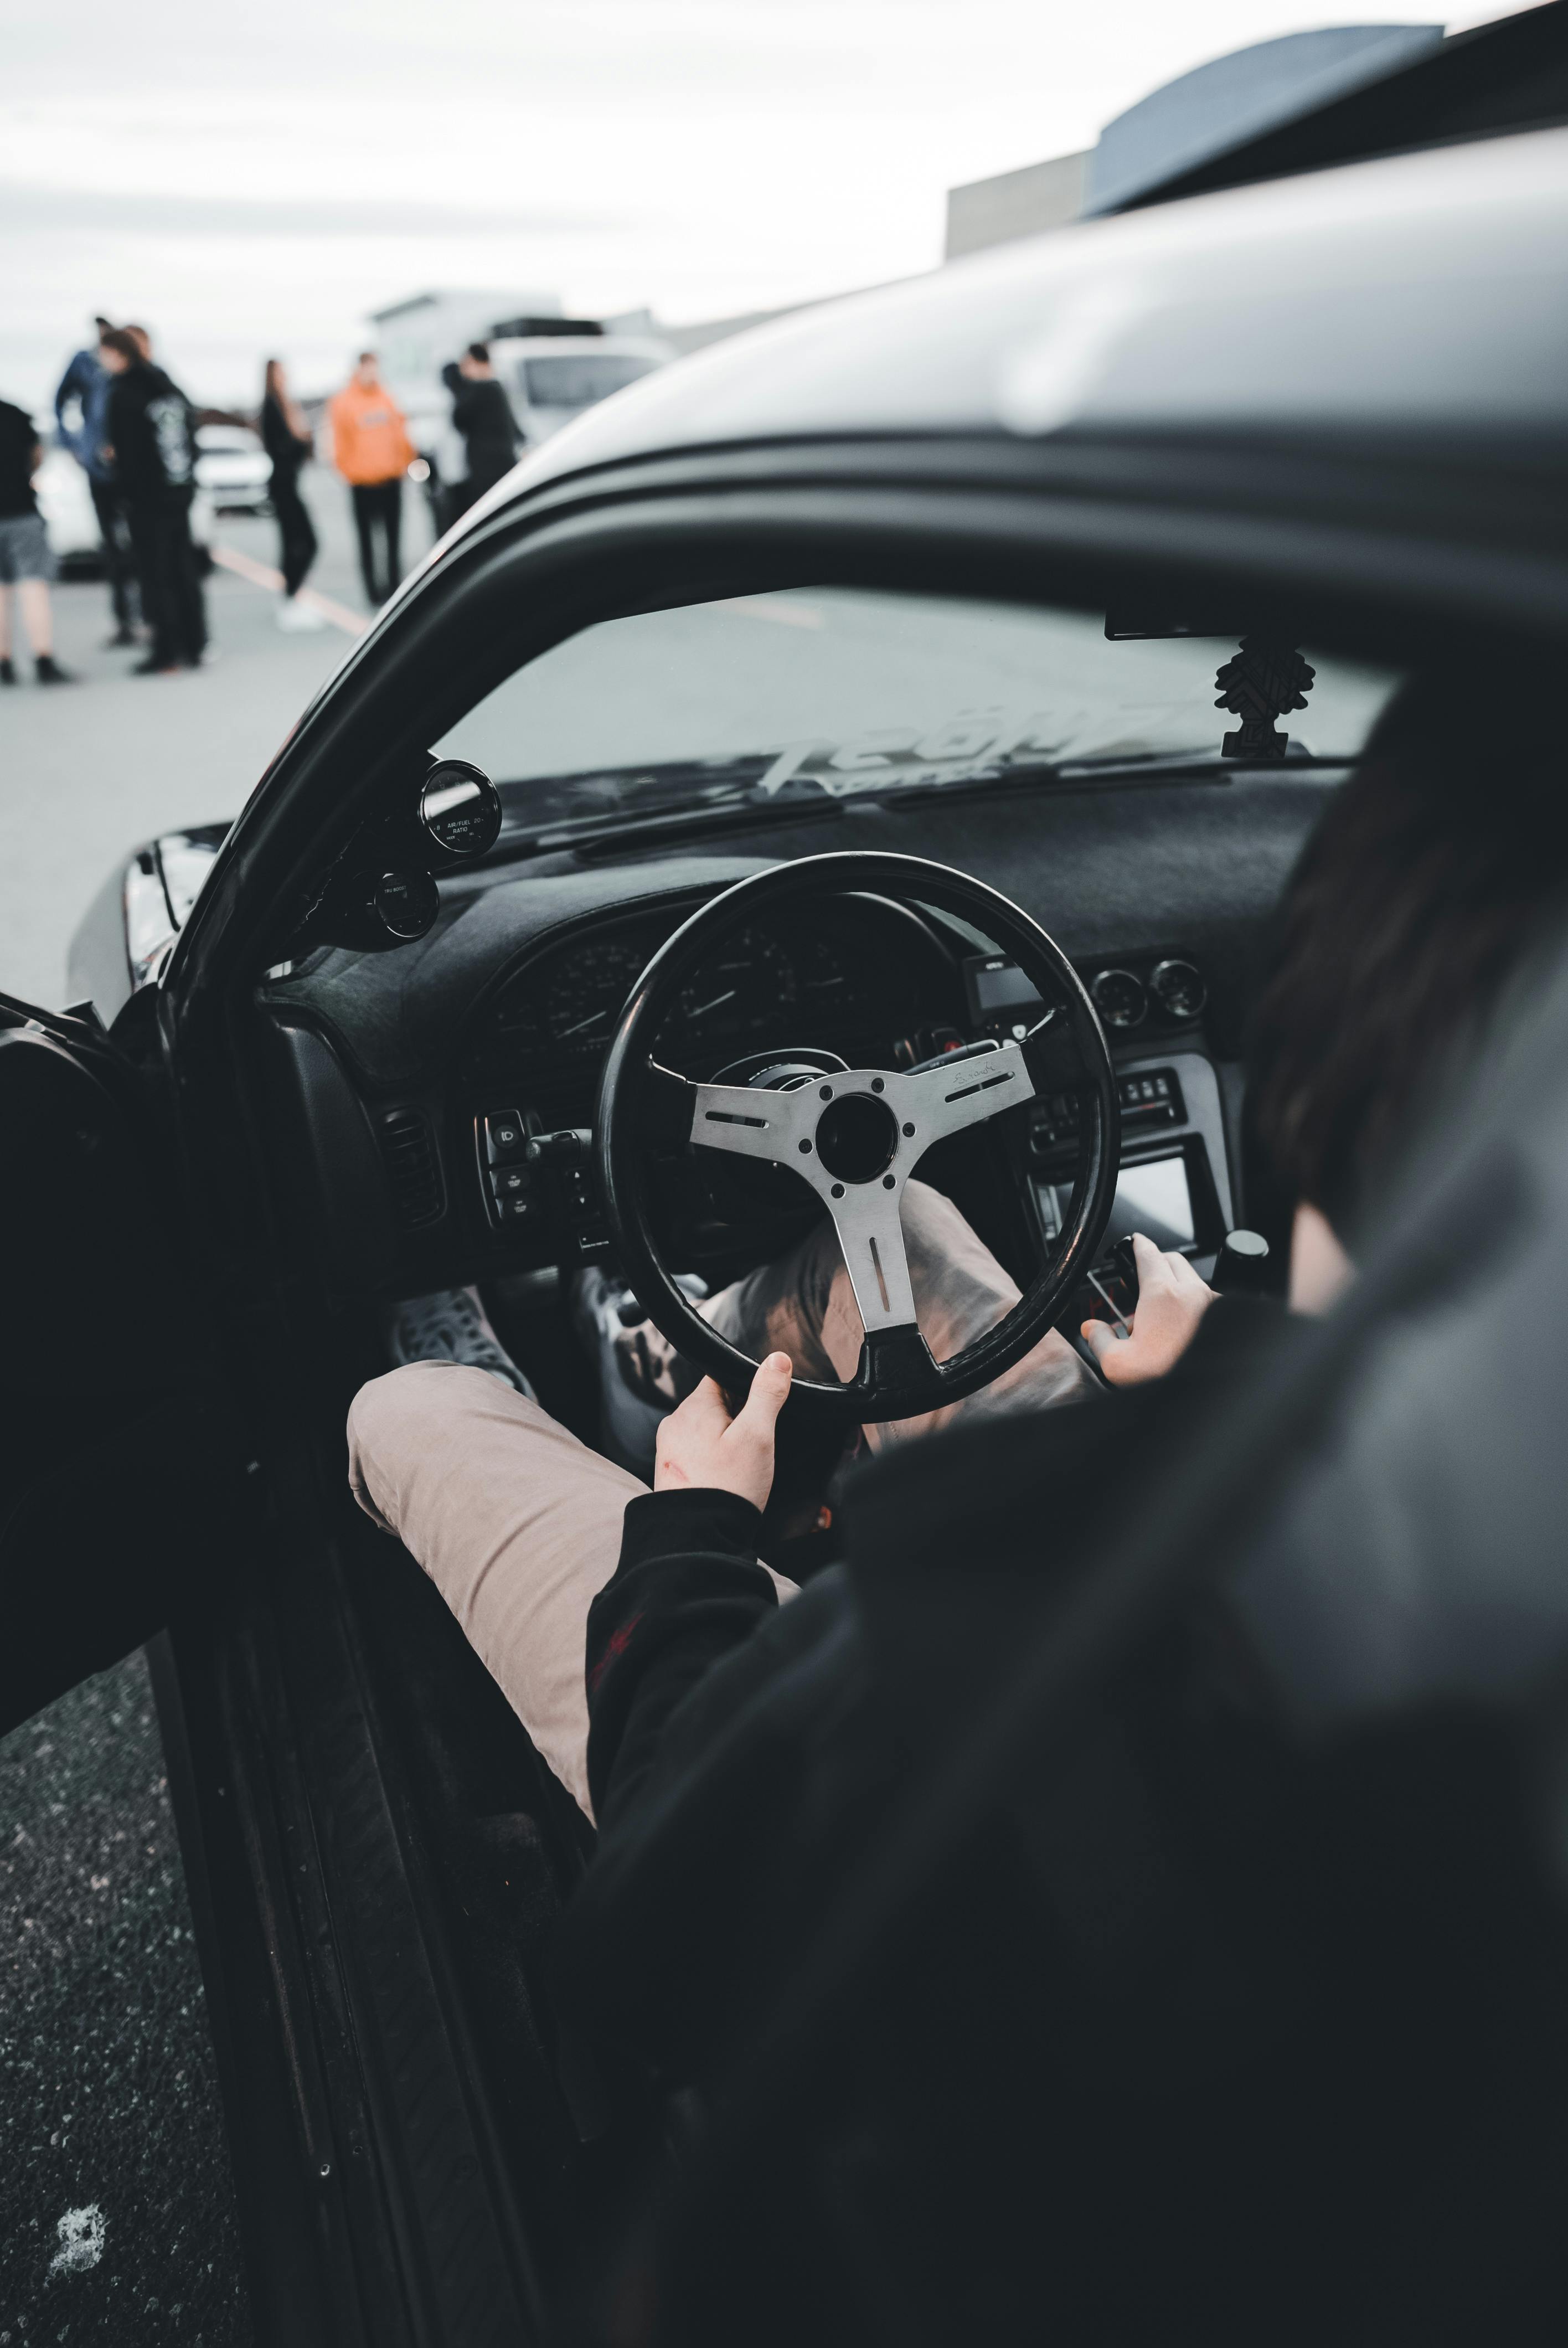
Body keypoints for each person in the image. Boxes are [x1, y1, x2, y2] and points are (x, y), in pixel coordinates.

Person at [347, 667, 1566, 2331]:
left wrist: (697, 1531)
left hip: (847, 1876)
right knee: (900, 1234)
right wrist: (1234, 1391)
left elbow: (665, 1888)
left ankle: (480, 1354)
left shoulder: (1050, 1705)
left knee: (407, 1409)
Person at [99, 326, 208, 675]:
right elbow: (191, 436)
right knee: (184, 571)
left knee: (155, 576)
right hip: (179, 494)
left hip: (147, 500)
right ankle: (195, 645)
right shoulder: (167, 386)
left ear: (119, 353)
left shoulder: (125, 393)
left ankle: (167, 651)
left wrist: (120, 488)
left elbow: (128, 455)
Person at [54, 316, 140, 646]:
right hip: (100, 471)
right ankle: (125, 622)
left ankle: (147, 616)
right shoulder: (84, 362)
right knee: (114, 549)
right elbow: (60, 400)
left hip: (129, 472)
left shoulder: (132, 368)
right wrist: (75, 445)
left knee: (139, 545)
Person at [328, 351, 414, 607]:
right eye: (368, 368)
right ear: (359, 369)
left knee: (393, 538)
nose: (372, 374)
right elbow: (339, 444)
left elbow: (400, 434)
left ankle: (394, 587)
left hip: (391, 479)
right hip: (362, 482)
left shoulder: (387, 398)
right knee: (367, 540)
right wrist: (350, 472)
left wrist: (405, 462)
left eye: (375, 368)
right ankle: (373, 592)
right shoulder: (344, 402)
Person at [0, 397, 71, 685]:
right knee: (33, 584)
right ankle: (44, 659)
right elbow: (37, 457)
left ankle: (3, 663)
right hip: (21, 510)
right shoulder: (15, 415)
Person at [259, 358, 322, 631]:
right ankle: (289, 598)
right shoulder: (273, 407)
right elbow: (284, 449)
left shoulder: (286, 405)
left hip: (290, 484)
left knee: (302, 542)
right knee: (302, 542)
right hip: (283, 485)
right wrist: (301, 441)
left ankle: (292, 596)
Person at [439, 341, 519, 522]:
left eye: (467, 365)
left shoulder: (481, 390)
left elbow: (459, 419)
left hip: (487, 468)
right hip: (501, 462)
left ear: (478, 363)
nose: (464, 372)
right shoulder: (498, 388)